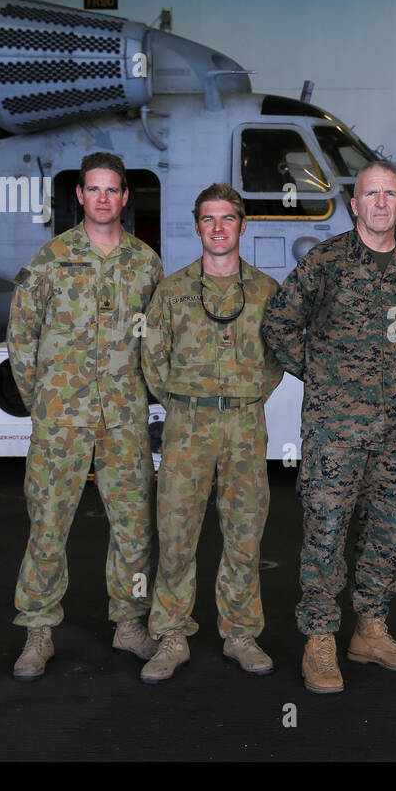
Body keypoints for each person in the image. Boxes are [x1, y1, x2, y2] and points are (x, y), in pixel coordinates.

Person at [262, 161, 396, 693]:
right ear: (356, 204)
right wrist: (321, 372)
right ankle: (319, 638)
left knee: (386, 528)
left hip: (394, 422)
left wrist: (390, 367)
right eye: (371, 194)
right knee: (325, 528)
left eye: (390, 194)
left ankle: (371, 629)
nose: (382, 203)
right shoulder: (326, 261)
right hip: (334, 426)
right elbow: (279, 322)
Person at [8, 152, 164, 680]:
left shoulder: (146, 263)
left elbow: (155, 341)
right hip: (61, 420)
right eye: (92, 189)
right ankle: (38, 630)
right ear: (79, 196)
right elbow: (21, 338)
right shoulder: (49, 260)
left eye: (111, 190)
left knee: (134, 526)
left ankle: (130, 624)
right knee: (48, 524)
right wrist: (44, 403)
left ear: (123, 197)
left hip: (123, 418)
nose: (102, 198)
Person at [137, 183, 284, 683]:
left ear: (242, 226)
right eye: (208, 219)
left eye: (227, 219)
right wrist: (183, 401)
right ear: (197, 226)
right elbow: (152, 360)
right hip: (187, 423)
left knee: (245, 532)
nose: (218, 228)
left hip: (245, 424)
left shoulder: (265, 292)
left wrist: (244, 398)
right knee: (176, 530)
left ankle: (240, 632)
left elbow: (275, 363)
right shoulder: (173, 292)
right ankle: (172, 633)